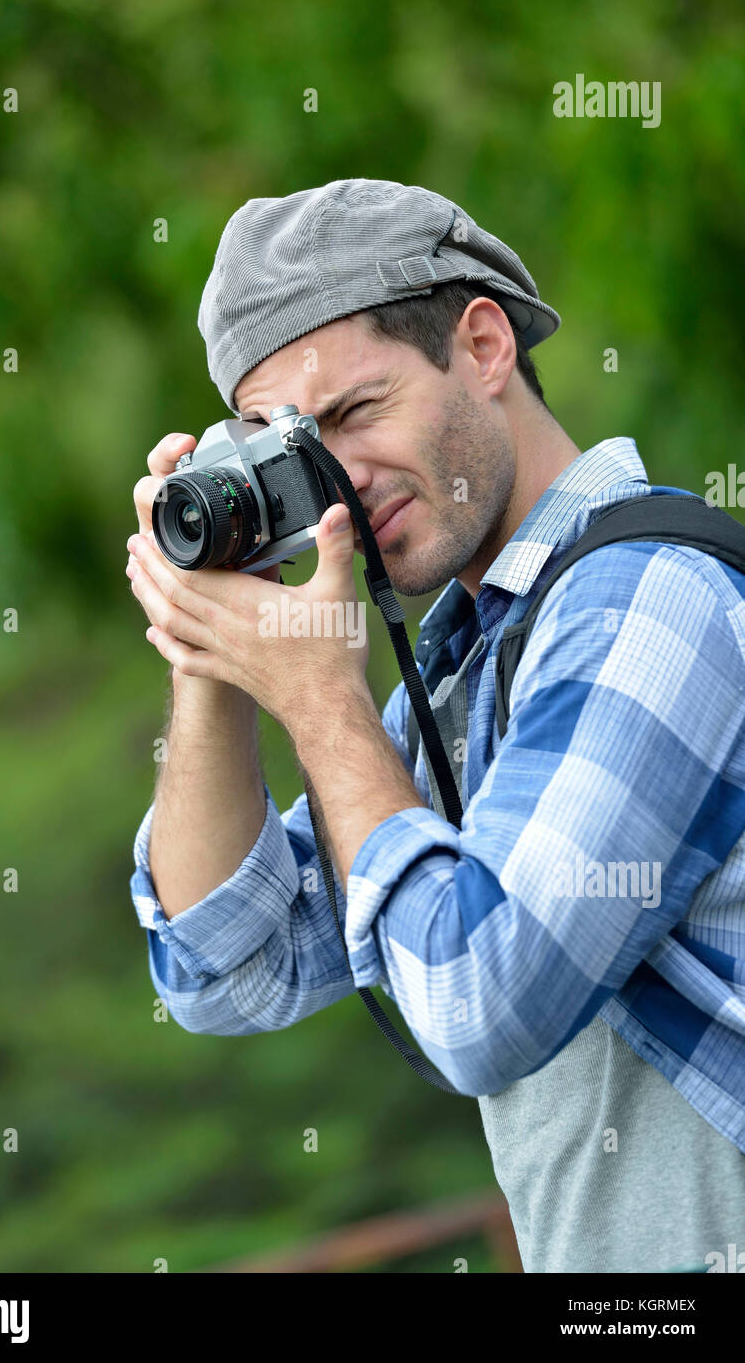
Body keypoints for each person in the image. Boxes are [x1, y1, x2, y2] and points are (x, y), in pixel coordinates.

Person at [125, 179, 745, 1273]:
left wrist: (321, 699)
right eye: (292, 453)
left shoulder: (654, 601)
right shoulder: (463, 667)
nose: (344, 483)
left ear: (485, 344)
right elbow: (229, 968)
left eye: (357, 416)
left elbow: (479, 1003)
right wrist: (208, 640)